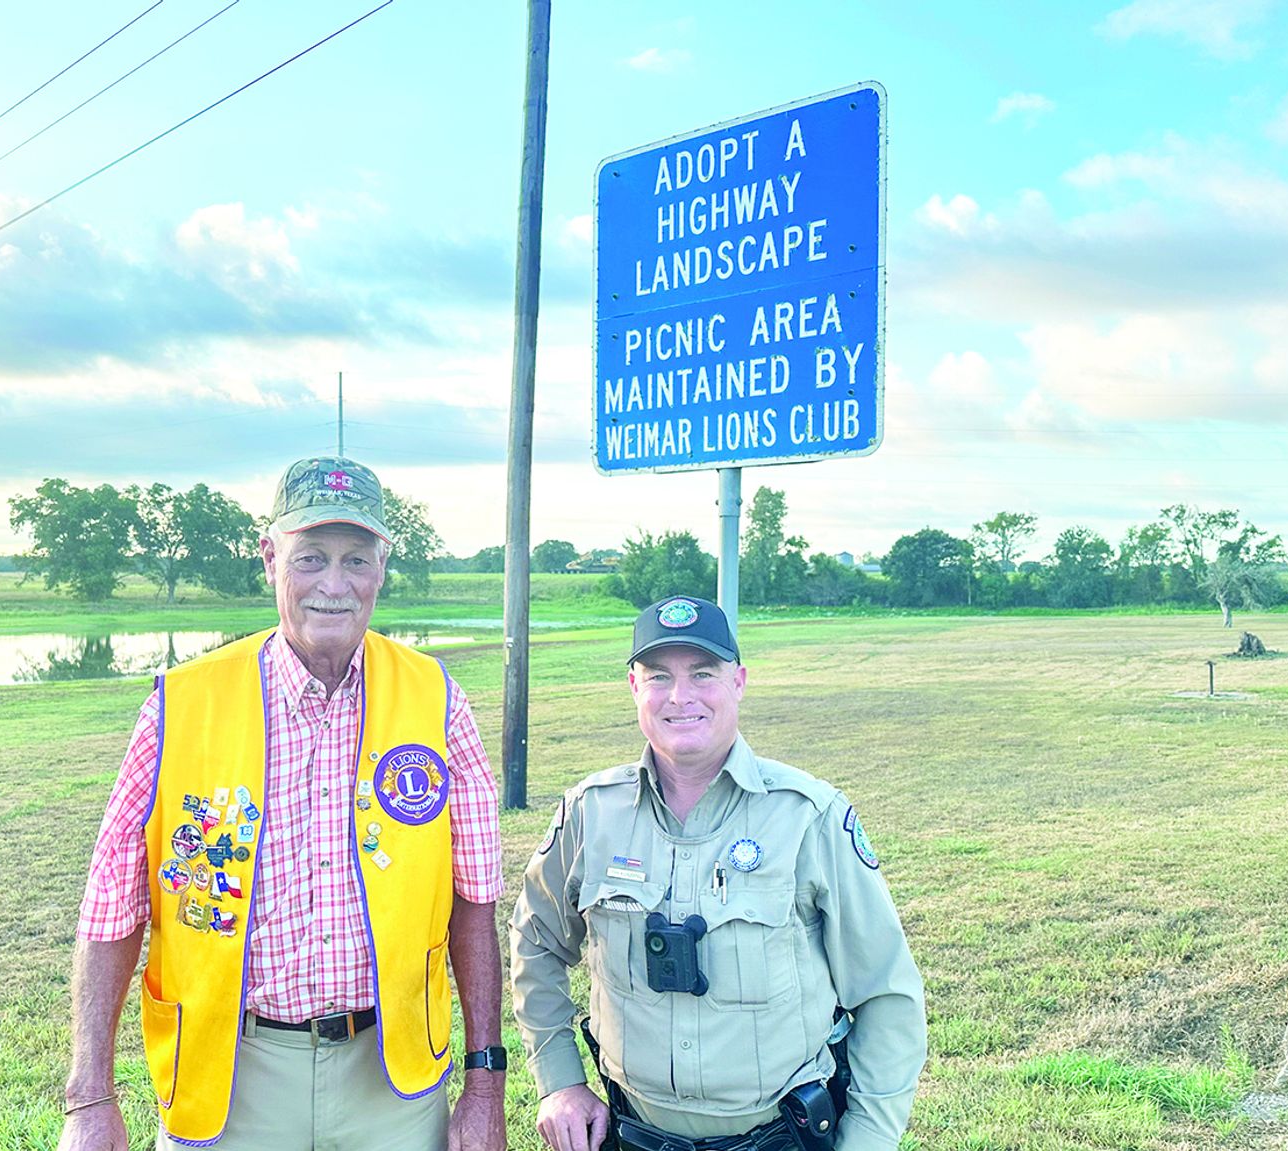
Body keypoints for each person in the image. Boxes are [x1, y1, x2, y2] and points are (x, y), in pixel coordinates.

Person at [58, 457, 508, 1151]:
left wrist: (483, 1086)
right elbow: (113, 905)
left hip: (389, 1080)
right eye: (312, 558)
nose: (335, 584)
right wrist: (89, 1097)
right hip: (229, 1076)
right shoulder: (181, 704)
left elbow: (474, 900)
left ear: (382, 566)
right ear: (270, 558)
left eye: (356, 558)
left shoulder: (436, 699)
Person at [510, 595, 926, 1151]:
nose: (680, 697)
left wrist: (868, 1140)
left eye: (702, 674)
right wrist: (559, 1080)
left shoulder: (809, 817)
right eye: (658, 676)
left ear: (739, 681)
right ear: (635, 687)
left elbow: (886, 993)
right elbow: (535, 942)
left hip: (781, 1135)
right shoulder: (591, 812)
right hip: (632, 1133)